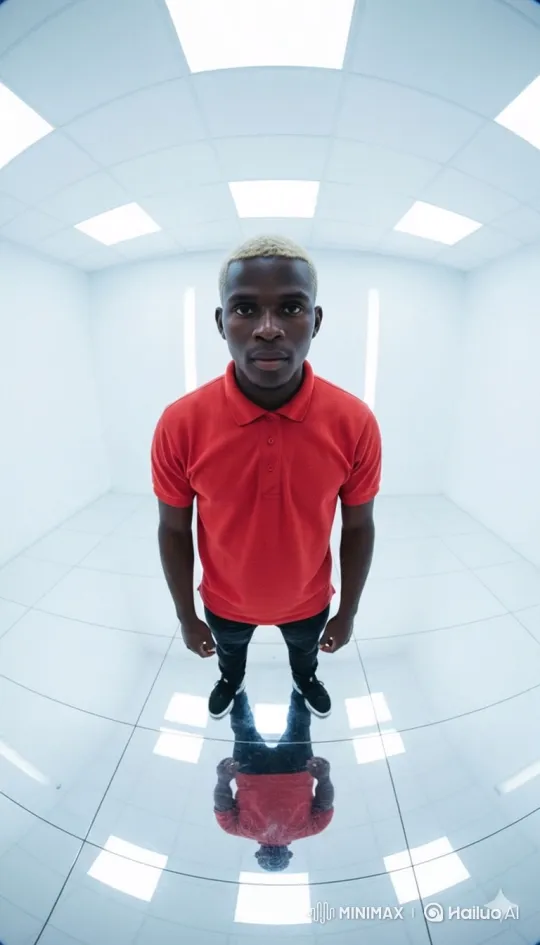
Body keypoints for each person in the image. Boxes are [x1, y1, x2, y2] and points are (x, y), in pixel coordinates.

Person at [152, 235, 382, 720]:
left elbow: (359, 526)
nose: (269, 329)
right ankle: (230, 682)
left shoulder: (354, 422)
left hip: (309, 600)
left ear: (316, 321)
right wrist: (187, 618)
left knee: (305, 655)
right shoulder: (180, 423)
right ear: (221, 323)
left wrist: (348, 612)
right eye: (245, 309)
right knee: (230, 658)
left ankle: (306, 679)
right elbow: (173, 529)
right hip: (223, 601)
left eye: (292, 308)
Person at [213, 688, 334, 869]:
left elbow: (324, 804)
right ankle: (237, 690)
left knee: (298, 724)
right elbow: (222, 805)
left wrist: (324, 778)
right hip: (257, 770)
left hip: (291, 769)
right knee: (244, 728)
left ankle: (300, 685)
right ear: (288, 854)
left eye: (266, 860)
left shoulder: (312, 829)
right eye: (277, 861)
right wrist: (223, 780)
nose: (271, 858)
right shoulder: (235, 829)